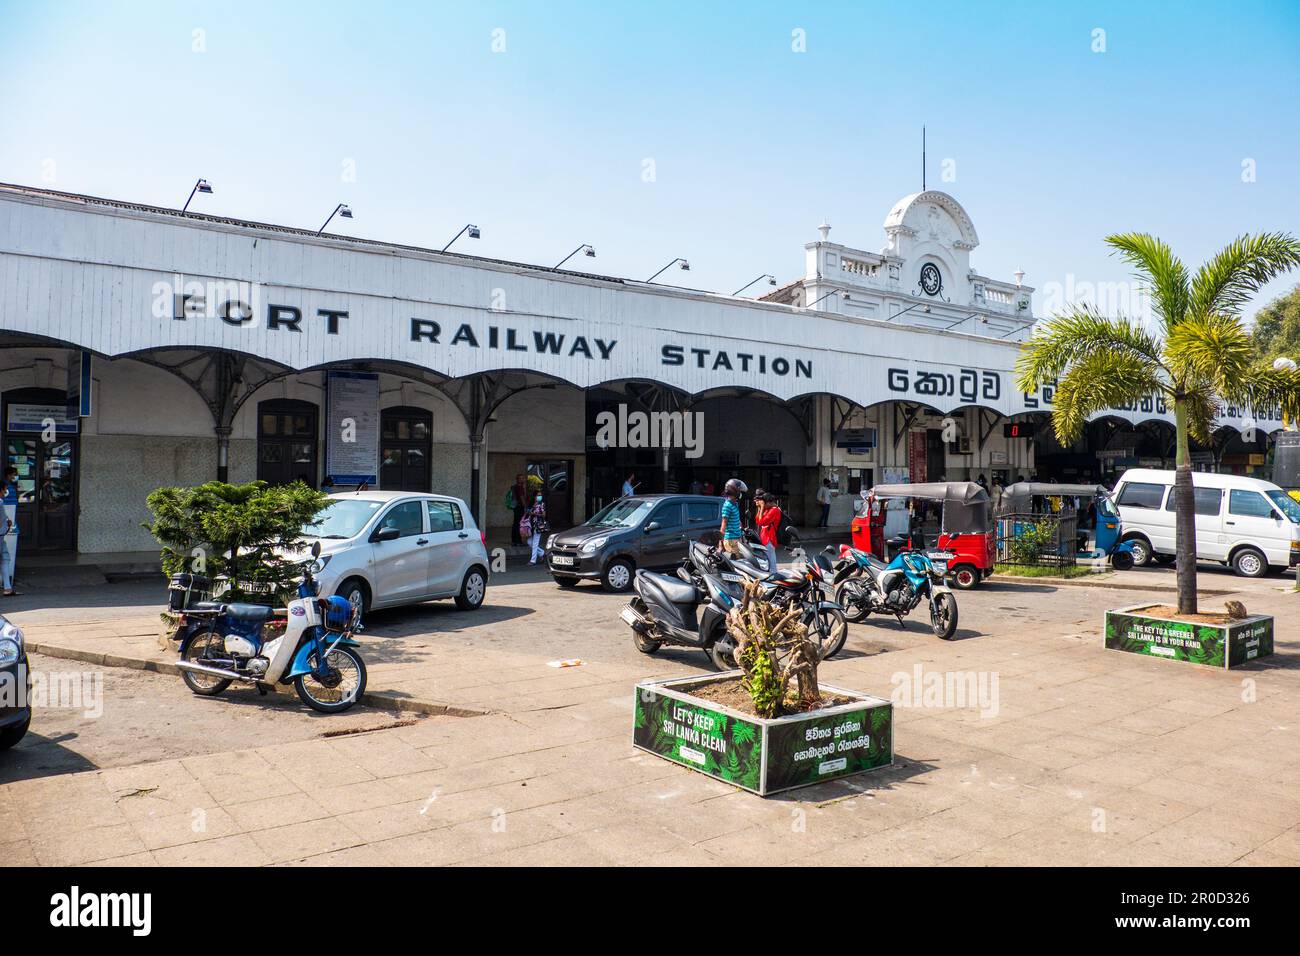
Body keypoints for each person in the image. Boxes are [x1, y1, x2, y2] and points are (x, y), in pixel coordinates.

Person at [718, 478, 747, 555]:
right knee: (736, 564)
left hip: (737, 538)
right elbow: (723, 524)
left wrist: (742, 528)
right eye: (739, 491)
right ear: (735, 491)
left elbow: (737, 518)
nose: (740, 493)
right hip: (731, 540)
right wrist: (720, 544)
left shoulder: (735, 504)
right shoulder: (727, 506)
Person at [1, 466, 18, 597]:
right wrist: (8, 525)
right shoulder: (0, 503)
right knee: (5, 558)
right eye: (4, 489)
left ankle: (7, 587)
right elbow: (3, 522)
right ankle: (7, 587)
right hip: (0, 536)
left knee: (5, 557)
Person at [755, 492, 782, 571]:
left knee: (771, 560)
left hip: (769, 538)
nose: (764, 505)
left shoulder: (775, 510)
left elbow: (761, 522)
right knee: (767, 559)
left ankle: (773, 576)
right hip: (765, 537)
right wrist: (760, 508)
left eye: (764, 503)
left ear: (769, 502)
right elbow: (757, 520)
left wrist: (762, 507)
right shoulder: (768, 509)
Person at [521, 492, 548, 565]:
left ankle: (533, 560)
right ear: (535, 496)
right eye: (538, 495)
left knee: (535, 543)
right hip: (530, 525)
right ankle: (542, 553)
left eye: (540, 495)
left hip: (538, 525)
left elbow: (544, 515)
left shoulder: (541, 504)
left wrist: (534, 514)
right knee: (529, 542)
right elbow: (527, 512)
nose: (540, 496)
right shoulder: (532, 504)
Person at [506, 473, 527, 547]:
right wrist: (525, 507)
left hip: (515, 507)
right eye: (520, 478)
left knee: (515, 524)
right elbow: (521, 497)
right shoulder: (519, 487)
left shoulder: (514, 487)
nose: (522, 479)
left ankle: (514, 541)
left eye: (523, 478)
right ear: (517, 479)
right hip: (519, 507)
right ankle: (518, 541)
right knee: (519, 524)